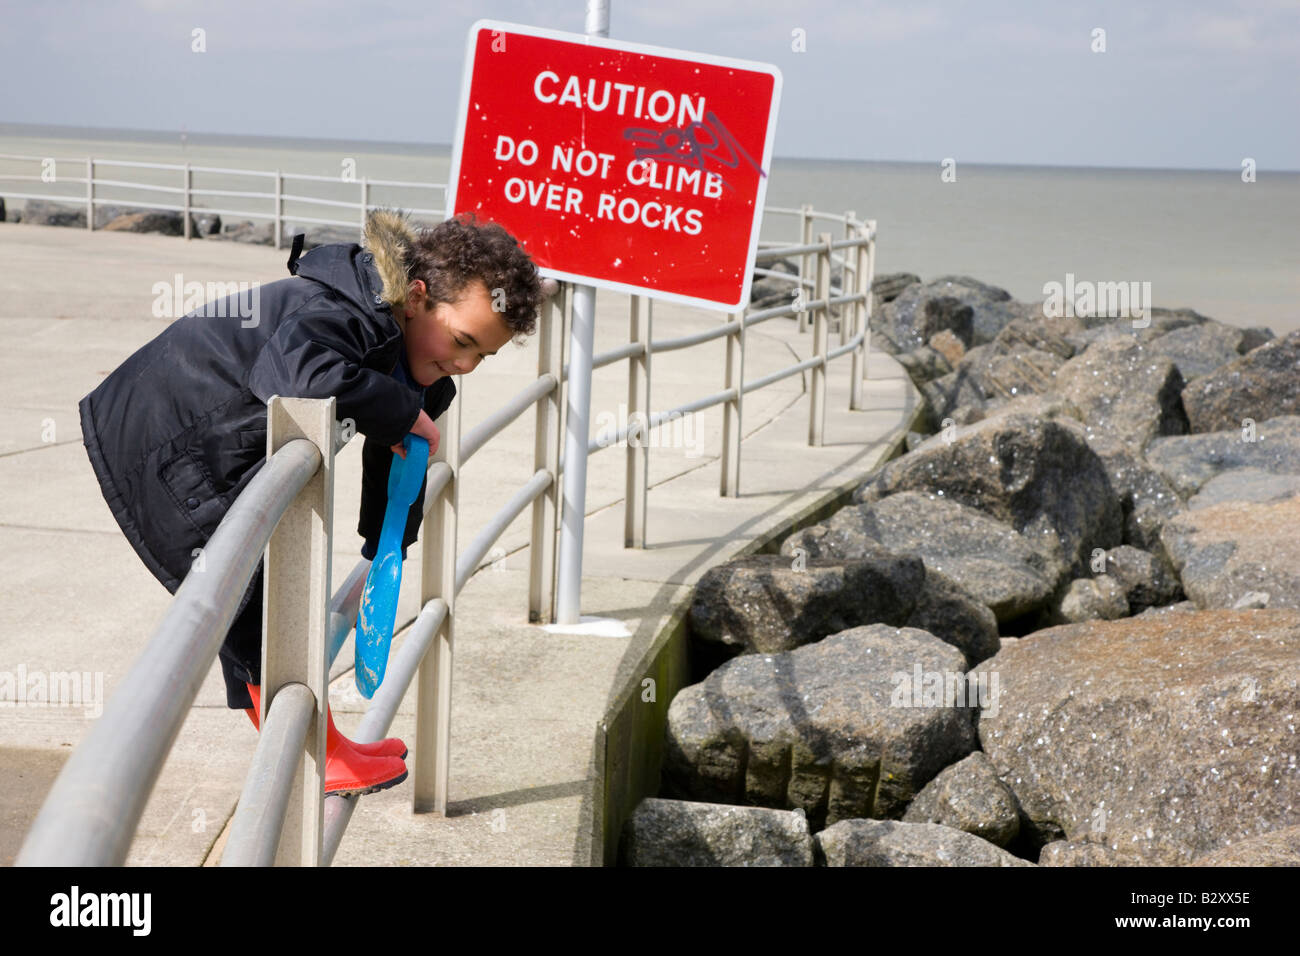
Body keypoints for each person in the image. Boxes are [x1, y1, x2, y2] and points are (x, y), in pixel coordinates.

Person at [78, 207, 545, 796]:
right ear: (418, 296)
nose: (466, 365)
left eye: (485, 356)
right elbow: (296, 373)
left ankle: (318, 745)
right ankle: (315, 754)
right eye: (462, 342)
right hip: (166, 438)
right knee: (260, 605)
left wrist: (386, 545)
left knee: (258, 603)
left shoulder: (402, 339)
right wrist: (403, 412)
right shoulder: (350, 312)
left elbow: (392, 440)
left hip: (200, 438)